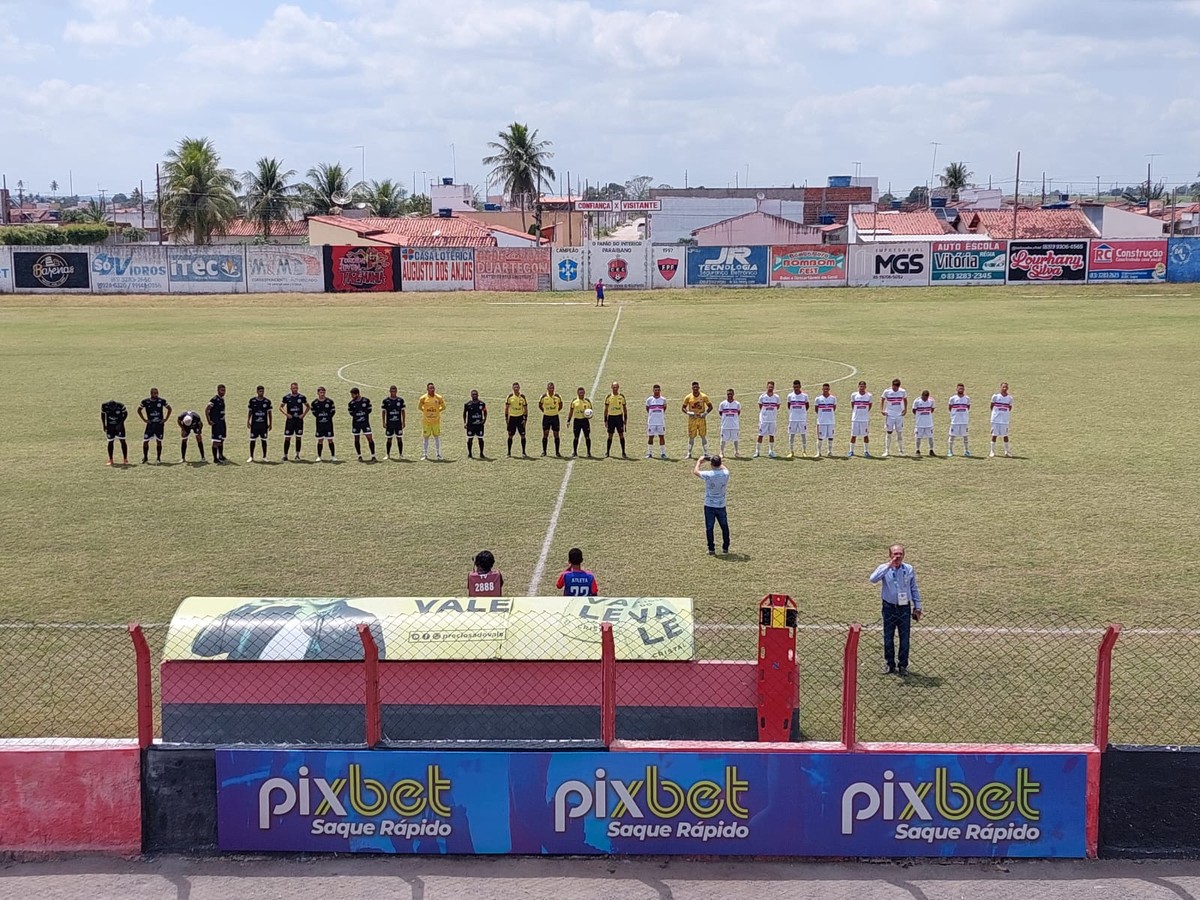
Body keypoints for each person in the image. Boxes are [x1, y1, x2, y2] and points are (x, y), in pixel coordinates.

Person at [869, 544, 923, 676]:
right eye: (895, 554)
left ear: (903, 555)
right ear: (890, 555)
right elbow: (873, 579)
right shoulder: (884, 568)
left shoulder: (908, 569)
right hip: (889, 608)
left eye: (900, 554)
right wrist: (889, 566)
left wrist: (918, 606)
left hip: (904, 608)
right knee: (888, 637)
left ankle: (903, 665)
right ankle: (889, 664)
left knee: (905, 638)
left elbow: (913, 588)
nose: (897, 556)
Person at [694, 453, 730, 556]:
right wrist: (718, 460)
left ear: (711, 464)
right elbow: (723, 468)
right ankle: (725, 548)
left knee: (709, 527)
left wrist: (699, 462)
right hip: (721, 505)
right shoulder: (726, 473)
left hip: (709, 505)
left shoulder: (708, 475)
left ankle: (711, 549)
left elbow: (695, 471)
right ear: (720, 463)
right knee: (724, 527)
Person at [138, 387, 171, 464]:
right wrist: (144, 419)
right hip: (150, 425)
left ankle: (158, 458)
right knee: (145, 441)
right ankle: (145, 458)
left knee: (159, 441)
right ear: (151, 393)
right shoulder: (145, 401)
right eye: (154, 393)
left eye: (157, 393)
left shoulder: (162, 401)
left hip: (159, 425)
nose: (156, 394)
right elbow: (139, 410)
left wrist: (165, 419)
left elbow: (169, 409)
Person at [681, 381, 713, 459]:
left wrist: (705, 413)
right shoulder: (688, 397)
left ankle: (706, 453)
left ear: (699, 388)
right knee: (691, 436)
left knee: (703, 436)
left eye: (697, 387)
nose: (695, 389)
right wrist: (688, 412)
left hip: (701, 419)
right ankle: (689, 453)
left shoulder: (704, 396)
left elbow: (710, 407)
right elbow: (683, 408)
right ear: (692, 388)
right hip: (692, 419)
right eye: (694, 387)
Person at [279, 382, 309, 461]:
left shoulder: (302, 397)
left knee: (298, 437)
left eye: (296, 388)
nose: (295, 389)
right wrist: (286, 414)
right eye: (293, 388)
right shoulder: (287, 397)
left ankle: (297, 455)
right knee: (287, 438)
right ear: (291, 388)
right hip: (290, 421)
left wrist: (303, 415)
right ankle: (285, 455)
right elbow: (280, 407)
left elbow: (308, 407)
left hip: (299, 421)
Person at [881, 378, 908, 458]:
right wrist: (882, 409)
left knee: (899, 432)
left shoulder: (902, 391)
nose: (895, 389)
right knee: (889, 432)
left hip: (899, 415)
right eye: (894, 387)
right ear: (892, 385)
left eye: (896, 387)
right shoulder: (887, 391)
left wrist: (905, 409)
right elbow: (882, 399)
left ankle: (901, 450)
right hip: (889, 415)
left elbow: (905, 400)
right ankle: (887, 451)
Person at [419, 382, 446, 461]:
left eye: (433, 388)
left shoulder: (439, 398)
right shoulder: (423, 398)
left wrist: (437, 411)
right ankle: (425, 454)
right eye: (430, 388)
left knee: (437, 437)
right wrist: (426, 412)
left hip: (436, 422)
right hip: (426, 422)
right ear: (427, 389)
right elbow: (420, 407)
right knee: (426, 438)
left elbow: (443, 407)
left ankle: (438, 454)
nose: (432, 389)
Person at [347, 387, 376, 461]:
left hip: (365, 423)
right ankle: (359, 456)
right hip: (356, 424)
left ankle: (373, 456)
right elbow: (351, 413)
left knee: (369, 437)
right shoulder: (351, 403)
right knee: (356, 439)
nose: (352, 396)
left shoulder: (366, 401)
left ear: (357, 394)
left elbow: (369, 410)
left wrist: (363, 415)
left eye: (353, 395)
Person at [755, 381, 781, 458]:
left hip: (772, 420)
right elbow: (760, 406)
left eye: (772, 387)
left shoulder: (776, 397)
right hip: (764, 420)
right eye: (769, 387)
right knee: (760, 435)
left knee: (772, 435)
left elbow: (778, 407)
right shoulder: (762, 397)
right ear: (767, 387)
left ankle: (771, 451)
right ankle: (757, 451)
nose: (770, 388)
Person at [311, 386, 337, 461]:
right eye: (321, 392)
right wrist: (320, 418)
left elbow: (333, 411)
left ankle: (333, 456)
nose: (322, 394)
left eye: (323, 392)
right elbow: (314, 412)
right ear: (318, 393)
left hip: (328, 424)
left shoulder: (330, 402)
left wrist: (328, 418)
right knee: (320, 440)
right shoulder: (314, 403)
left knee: (330, 440)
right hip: (319, 425)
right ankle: (319, 456)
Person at [246, 385, 271, 462]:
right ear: (257, 392)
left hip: (263, 425)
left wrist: (270, 423)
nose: (261, 393)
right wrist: (248, 421)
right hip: (254, 425)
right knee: (252, 440)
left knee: (264, 440)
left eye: (263, 391)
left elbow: (269, 413)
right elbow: (250, 412)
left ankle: (264, 457)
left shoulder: (267, 401)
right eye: (260, 391)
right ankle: (251, 456)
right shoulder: (252, 401)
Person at [539, 381, 564, 457]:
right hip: (546, 417)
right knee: (545, 434)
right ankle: (544, 451)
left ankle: (557, 452)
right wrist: (545, 411)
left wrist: (556, 411)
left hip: (555, 417)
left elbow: (560, 405)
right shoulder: (543, 397)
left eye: (552, 388)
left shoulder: (557, 396)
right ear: (547, 388)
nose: (551, 389)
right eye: (550, 388)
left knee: (556, 435)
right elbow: (540, 405)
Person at [100, 399, 129, 466]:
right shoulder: (104, 406)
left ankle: (125, 459)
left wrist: (120, 424)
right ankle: (111, 459)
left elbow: (126, 414)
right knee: (110, 441)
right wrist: (104, 425)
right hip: (110, 427)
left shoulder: (121, 406)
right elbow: (103, 415)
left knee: (122, 441)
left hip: (119, 427)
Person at [848, 380, 872, 458]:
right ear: (858, 387)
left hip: (864, 419)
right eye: (860, 386)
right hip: (855, 419)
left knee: (865, 435)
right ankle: (851, 451)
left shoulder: (869, 395)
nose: (862, 388)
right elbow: (852, 405)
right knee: (853, 435)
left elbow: (869, 406)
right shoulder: (854, 395)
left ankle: (866, 451)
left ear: (865, 387)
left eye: (863, 387)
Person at [603, 382, 628, 458]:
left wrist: (625, 418)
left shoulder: (621, 397)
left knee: (621, 435)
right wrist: (605, 420)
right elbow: (606, 409)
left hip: (619, 418)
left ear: (618, 387)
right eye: (614, 387)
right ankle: (607, 452)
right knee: (610, 435)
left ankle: (623, 452)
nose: (615, 388)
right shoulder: (609, 397)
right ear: (611, 387)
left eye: (616, 387)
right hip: (611, 418)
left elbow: (624, 408)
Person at [381, 385, 406, 460]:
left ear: (396, 391)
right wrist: (383, 422)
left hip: (398, 423)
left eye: (394, 391)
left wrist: (403, 421)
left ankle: (401, 454)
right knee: (389, 439)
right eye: (392, 391)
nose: (393, 393)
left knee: (399, 438)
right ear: (389, 391)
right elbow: (383, 412)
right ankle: (388, 454)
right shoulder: (386, 401)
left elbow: (403, 411)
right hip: (389, 423)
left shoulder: (400, 400)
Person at [567, 387, 593, 457]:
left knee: (587, 437)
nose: (581, 394)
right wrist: (568, 420)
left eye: (582, 393)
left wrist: (590, 415)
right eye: (580, 393)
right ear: (577, 393)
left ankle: (588, 452)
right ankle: (575, 452)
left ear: (584, 393)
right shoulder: (574, 401)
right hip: (577, 421)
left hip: (585, 421)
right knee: (576, 437)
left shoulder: (587, 401)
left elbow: (591, 411)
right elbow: (571, 412)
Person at [786, 380, 809, 459]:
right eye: (794, 387)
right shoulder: (790, 396)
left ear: (800, 386)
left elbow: (807, 406)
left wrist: (801, 413)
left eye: (797, 387)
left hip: (802, 419)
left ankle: (804, 451)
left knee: (803, 435)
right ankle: (791, 451)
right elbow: (789, 406)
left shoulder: (804, 396)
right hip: (792, 419)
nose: (796, 388)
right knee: (791, 435)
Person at [947, 383, 972, 457]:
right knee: (952, 436)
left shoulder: (967, 398)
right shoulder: (952, 398)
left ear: (964, 389)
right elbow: (950, 408)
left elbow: (968, 407)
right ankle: (950, 450)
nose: (960, 390)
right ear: (956, 389)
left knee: (965, 436)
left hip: (964, 421)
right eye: (959, 388)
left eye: (962, 388)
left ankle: (966, 451)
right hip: (955, 421)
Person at [990, 382, 1014, 458]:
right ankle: (992, 451)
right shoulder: (995, 397)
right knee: (994, 435)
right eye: (1003, 387)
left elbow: (1009, 408)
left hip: (1004, 420)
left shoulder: (1010, 398)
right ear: (1000, 387)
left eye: (1006, 387)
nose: (1004, 388)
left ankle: (1007, 451)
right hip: (996, 420)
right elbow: (991, 406)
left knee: (1005, 435)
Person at [505, 381, 529, 458]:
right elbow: (506, 408)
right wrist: (506, 419)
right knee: (510, 435)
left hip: (520, 418)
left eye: (517, 387)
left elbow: (525, 408)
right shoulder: (510, 397)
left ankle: (524, 452)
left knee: (522, 435)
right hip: (512, 418)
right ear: (512, 388)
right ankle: (509, 452)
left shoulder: (522, 397)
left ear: (519, 388)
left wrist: (525, 419)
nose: (516, 389)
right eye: (514, 387)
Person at [645, 384, 668, 459]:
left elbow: (664, 408)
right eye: (655, 390)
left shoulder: (663, 399)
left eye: (658, 390)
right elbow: (647, 409)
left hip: (660, 422)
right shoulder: (649, 400)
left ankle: (663, 453)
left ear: (660, 390)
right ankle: (649, 453)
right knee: (650, 437)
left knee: (661, 436)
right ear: (653, 390)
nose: (657, 391)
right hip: (651, 422)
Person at [205, 384, 227, 464]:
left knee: (222, 439)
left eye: (224, 390)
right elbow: (207, 410)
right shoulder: (214, 399)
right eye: (221, 390)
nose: (223, 392)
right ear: (218, 390)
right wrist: (209, 420)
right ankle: (215, 458)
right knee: (216, 441)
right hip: (216, 423)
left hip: (222, 422)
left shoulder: (222, 399)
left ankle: (220, 455)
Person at [814, 383, 836, 458]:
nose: (826, 390)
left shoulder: (833, 398)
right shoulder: (818, 398)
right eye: (824, 388)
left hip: (831, 421)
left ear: (829, 389)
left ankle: (829, 452)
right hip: (821, 421)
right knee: (820, 437)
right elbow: (816, 409)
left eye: (827, 388)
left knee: (830, 437)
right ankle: (818, 452)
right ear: (822, 389)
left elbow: (834, 408)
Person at [463, 389, 487, 459]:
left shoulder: (482, 404)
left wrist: (484, 419)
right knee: (470, 440)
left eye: (476, 394)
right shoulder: (467, 404)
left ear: (478, 395)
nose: (474, 396)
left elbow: (485, 412)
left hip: (479, 425)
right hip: (470, 425)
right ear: (471, 395)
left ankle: (481, 453)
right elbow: (464, 413)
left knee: (480, 439)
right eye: (473, 394)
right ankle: (470, 453)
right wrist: (465, 422)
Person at [718, 388, 741, 458]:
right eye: (728, 394)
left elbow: (738, 413)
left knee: (735, 439)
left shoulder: (737, 404)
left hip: (734, 425)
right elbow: (720, 413)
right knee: (723, 439)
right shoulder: (722, 404)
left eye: (731, 394)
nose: (729, 395)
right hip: (725, 425)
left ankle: (736, 452)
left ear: (733, 394)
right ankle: (721, 452)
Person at [912, 390, 936, 457]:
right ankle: (917, 450)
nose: (925, 399)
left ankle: (931, 450)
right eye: (924, 397)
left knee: (930, 437)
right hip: (919, 423)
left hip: (929, 423)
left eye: (926, 398)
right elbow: (914, 410)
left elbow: (932, 410)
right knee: (918, 437)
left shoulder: (931, 401)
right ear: (922, 396)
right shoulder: (917, 401)